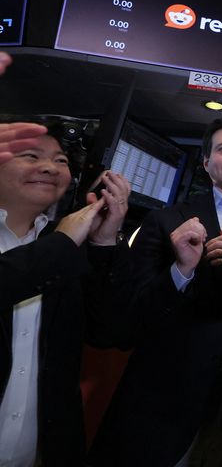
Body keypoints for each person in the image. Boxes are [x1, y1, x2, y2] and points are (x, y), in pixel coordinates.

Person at [88, 117, 222, 467]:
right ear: (206, 163)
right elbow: (131, 315)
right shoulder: (165, 220)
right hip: (166, 388)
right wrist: (181, 269)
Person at [0, 121, 130, 467]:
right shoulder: (61, 246)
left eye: (61, 160)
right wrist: (64, 242)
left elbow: (107, 332)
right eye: (31, 156)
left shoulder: (63, 248)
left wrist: (103, 242)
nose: (50, 168)